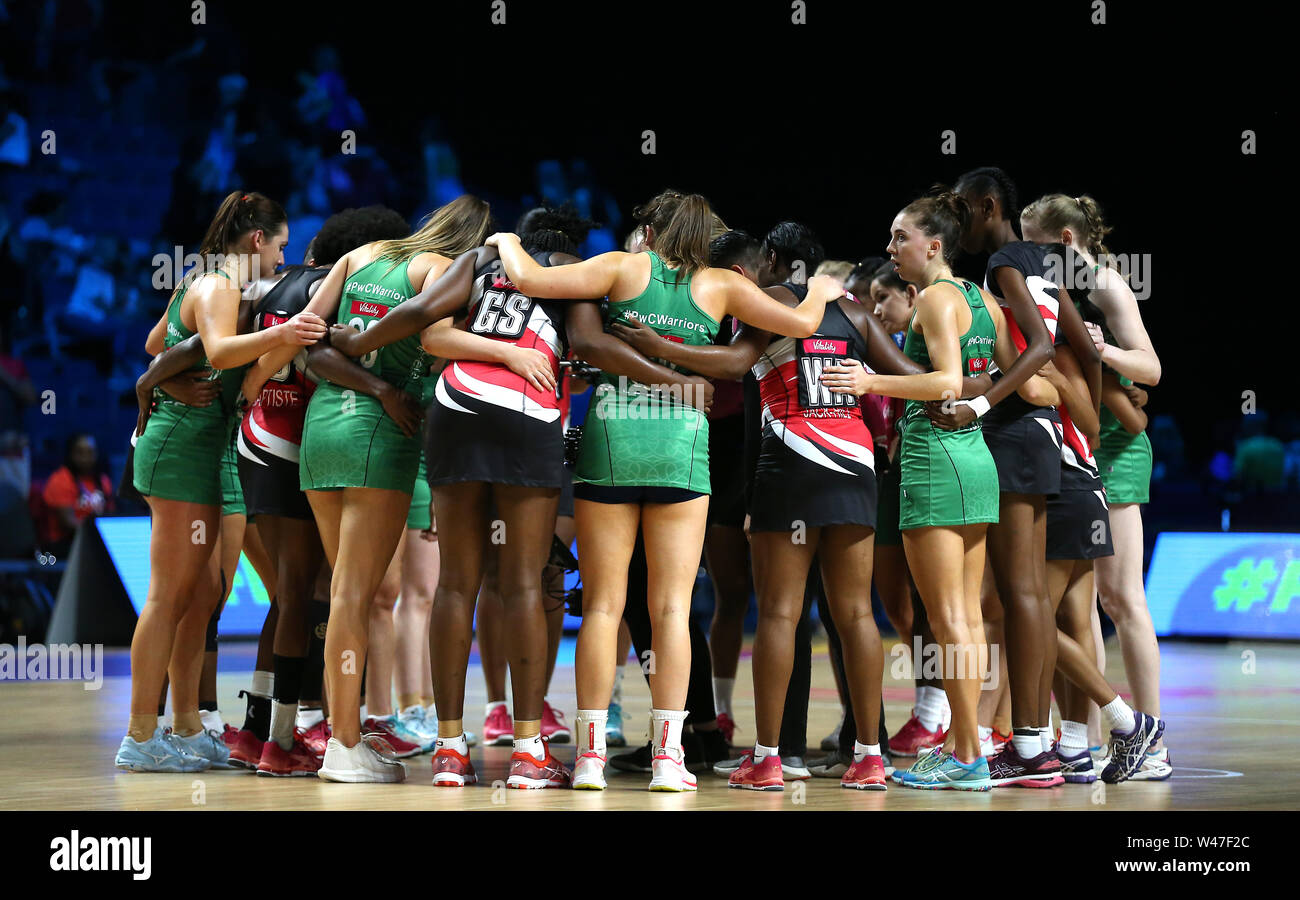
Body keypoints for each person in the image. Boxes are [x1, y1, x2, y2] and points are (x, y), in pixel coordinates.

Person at [487, 191, 841, 792]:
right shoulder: (719, 285)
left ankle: (592, 757)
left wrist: (506, 241)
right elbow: (801, 325)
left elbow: (527, 279)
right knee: (673, 609)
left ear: (649, 231)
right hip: (681, 447)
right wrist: (821, 292)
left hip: (614, 441)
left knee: (602, 606)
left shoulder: (621, 267)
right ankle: (670, 759)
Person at [617, 224, 937, 791]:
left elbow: (735, 365)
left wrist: (661, 347)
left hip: (790, 460)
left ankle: (767, 758)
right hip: (854, 462)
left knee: (781, 615)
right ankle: (869, 755)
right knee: (857, 615)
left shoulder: (767, 306)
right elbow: (924, 380)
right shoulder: (856, 311)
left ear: (770, 259)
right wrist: (871, 381)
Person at [245, 195, 491, 783]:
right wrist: (386, 390)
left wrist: (360, 365)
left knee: (341, 596)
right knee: (353, 597)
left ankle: (343, 735)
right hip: (381, 437)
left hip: (321, 429)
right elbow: (437, 346)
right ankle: (345, 745)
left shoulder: (357, 256)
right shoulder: (441, 273)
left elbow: (311, 342)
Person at [821, 190, 1054, 789]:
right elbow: (1006, 374)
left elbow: (947, 379)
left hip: (934, 457)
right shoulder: (982, 300)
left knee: (949, 615)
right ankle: (964, 742)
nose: (891, 248)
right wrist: (983, 401)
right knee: (968, 618)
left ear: (934, 244)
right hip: (976, 460)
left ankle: (968, 756)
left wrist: (867, 378)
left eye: (900, 238)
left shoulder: (934, 302)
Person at [116, 190, 326, 773]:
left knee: (205, 592)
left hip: (214, 446)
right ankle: (138, 735)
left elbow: (159, 345)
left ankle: (186, 724)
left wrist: (166, 379)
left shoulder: (214, 283)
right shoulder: (218, 284)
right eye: (280, 246)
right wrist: (285, 336)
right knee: (169, 594)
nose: (283, 259)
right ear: (257, 240)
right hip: (182, 448)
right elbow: (217, 349)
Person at [1020, 193, 1169, 779]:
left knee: (1121, 596)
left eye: (1031, 238)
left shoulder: (1105, 285)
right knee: (1079, 608)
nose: (1021, 248)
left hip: (1116, 452)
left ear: (1061, 239)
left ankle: (1150, 740)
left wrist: (1098, 349)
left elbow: (1151, 370)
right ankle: (1092, 735)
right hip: (1069, 451)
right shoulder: (1037, 284)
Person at [40, 433, 114, 555]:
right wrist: (99, 531)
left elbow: (111, 514)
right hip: (65, 544)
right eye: (80, 453)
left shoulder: (103, 481)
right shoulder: (60, 480)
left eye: (90, 452)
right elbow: (67, 523)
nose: (86, 458)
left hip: (96, 541)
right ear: (71, 454)